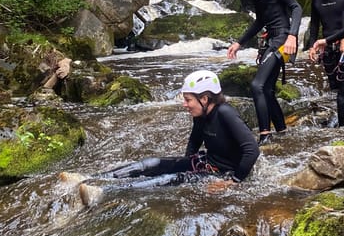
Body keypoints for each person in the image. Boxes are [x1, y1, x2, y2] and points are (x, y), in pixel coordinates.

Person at [101, 70, 260, 184]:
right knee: (152, 164)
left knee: (166, 180)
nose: (185, 104)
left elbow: (252, 149)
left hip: (224, 174)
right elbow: (195, 140)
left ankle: (105, 191)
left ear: (204, 99)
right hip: (207, 163)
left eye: (188, 100)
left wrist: (232, 182)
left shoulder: (226, 113)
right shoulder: (200, 115)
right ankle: (98, 178)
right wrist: (182, 164)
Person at [225, 0, 302, 146]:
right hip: (273, 40)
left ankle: (265, 136)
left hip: (283, 40)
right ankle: (282, 131)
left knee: (256, 85)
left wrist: (293, 36)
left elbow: (296, 7)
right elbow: (259, 21)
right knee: (266, 89)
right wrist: (239, 43)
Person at [305, 0, 344, 89]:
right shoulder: (316, 0)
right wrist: (312, 47)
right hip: (327, 46)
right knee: (333, 83)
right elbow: (314, 24)